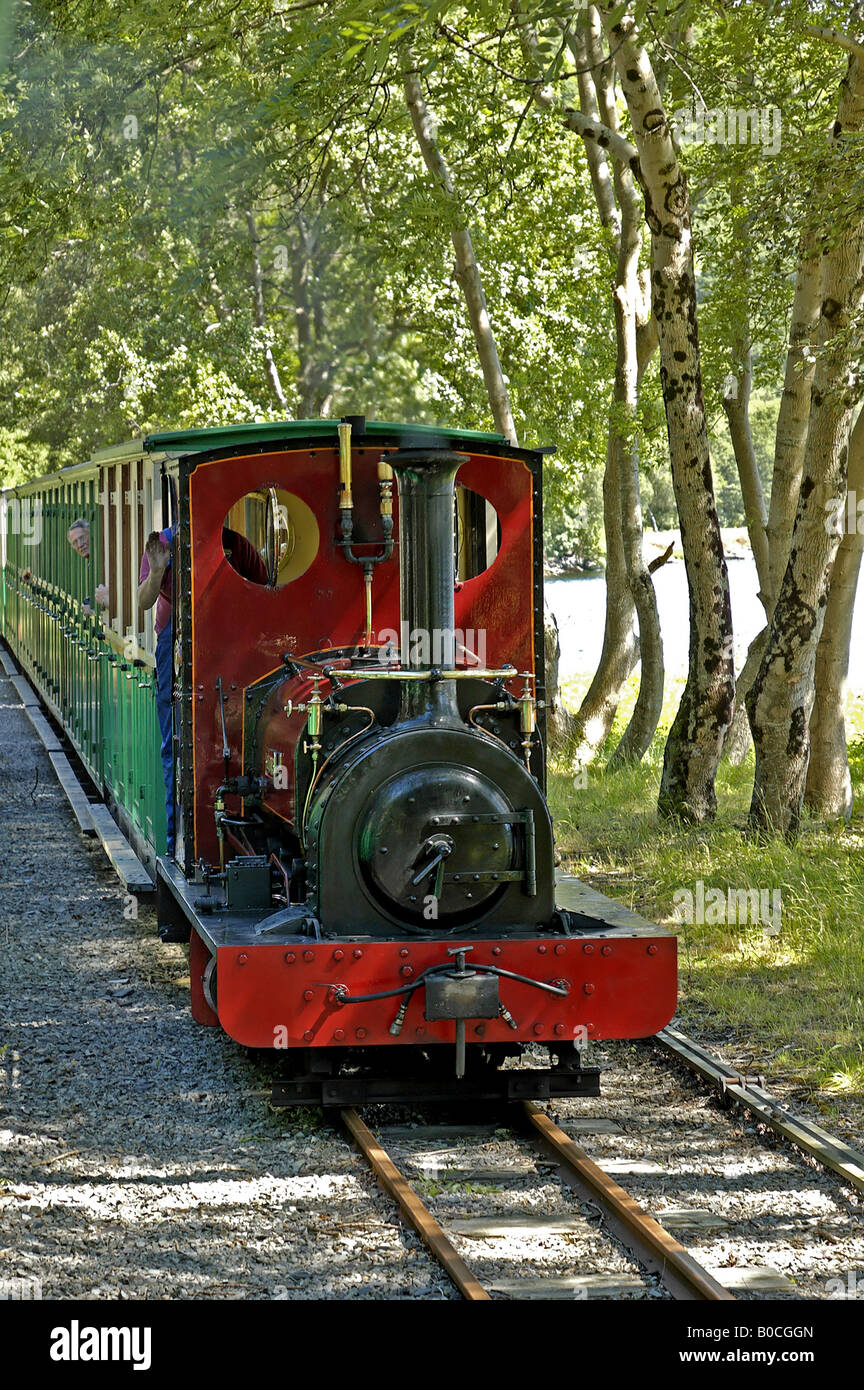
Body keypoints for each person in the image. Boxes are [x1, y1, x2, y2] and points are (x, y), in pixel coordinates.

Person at [138, 525, 268, 857]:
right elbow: (143, 600)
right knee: (174, 744)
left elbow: (264, 583)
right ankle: (176, 840)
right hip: (175, 641)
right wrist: (156, 571)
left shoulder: (233, 542)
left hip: (229, 637)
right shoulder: (162, 543)